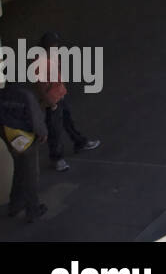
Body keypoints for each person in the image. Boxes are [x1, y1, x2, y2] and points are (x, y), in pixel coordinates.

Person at [33, 31, 99, 173]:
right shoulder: (41, 64)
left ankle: (80, 142)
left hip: (61, 96)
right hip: (53, 101)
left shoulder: (54, 57)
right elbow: (41, 87)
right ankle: (57, 159)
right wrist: (51, 103)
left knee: (69, 122)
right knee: (54, 131)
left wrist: (62, 90)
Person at [1, 82, 47, 222]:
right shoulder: (26, 95)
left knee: (19, 170)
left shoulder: (1, 95)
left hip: (10, 139)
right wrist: (42, 133)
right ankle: (33, 210)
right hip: (27, 139)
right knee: (31, 175)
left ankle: (15, 205)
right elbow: (35, 119)